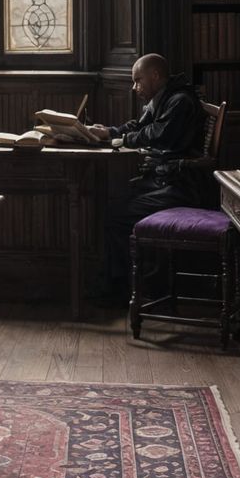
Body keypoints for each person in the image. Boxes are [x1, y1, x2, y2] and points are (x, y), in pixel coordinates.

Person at [87, 54, 208, 299]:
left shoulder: (180, 101)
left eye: (138, 81)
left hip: (179, 186)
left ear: (155, 76)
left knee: (116, 215)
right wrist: (109, 132)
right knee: (112, 205)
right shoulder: (162, 98)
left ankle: (127, 288)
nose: (134, 88)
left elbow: (158, 133)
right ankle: (130, 282)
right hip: (163, 179)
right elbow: (139, 127)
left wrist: (121, 140)